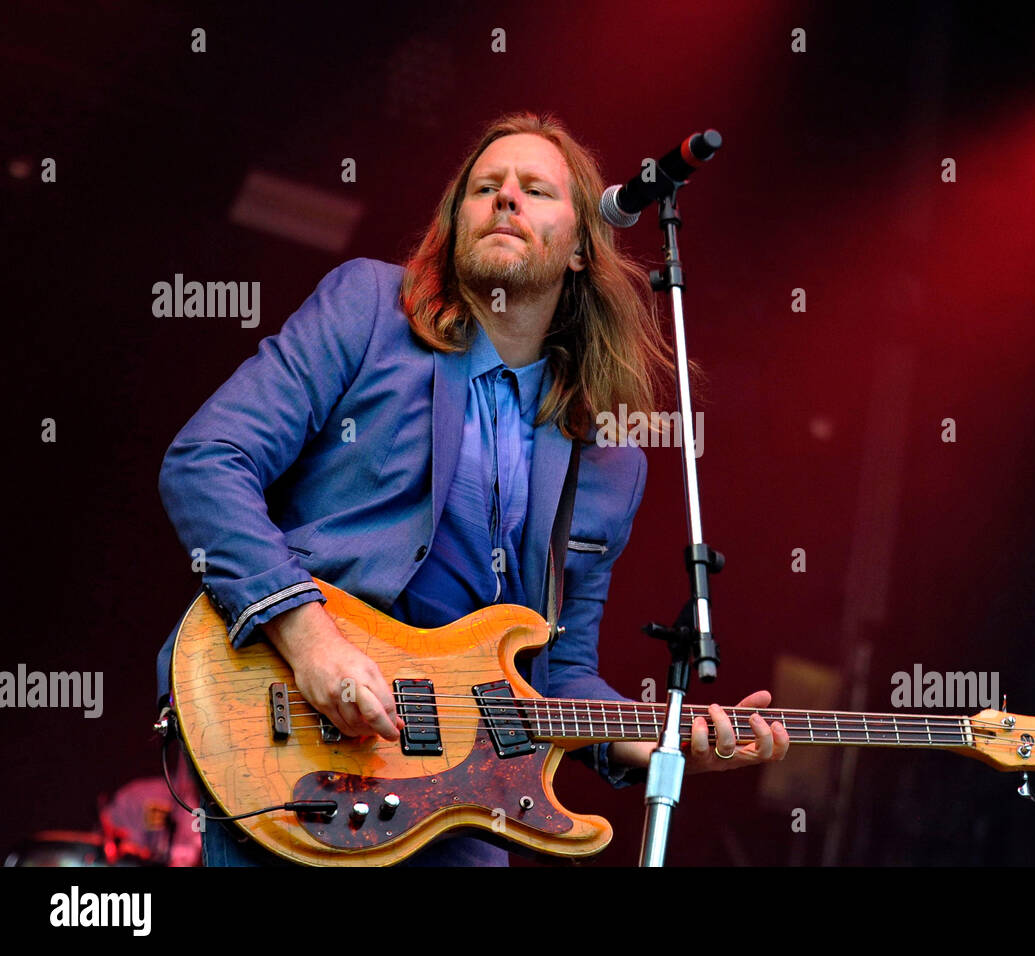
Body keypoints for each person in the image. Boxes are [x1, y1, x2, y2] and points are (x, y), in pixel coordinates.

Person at [154, 111, 790, 866]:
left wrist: (660, 744)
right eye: (485, 187)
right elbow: (207, 457)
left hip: (462, 801)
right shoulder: (367, 310)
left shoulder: (611, 461)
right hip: (293, 741)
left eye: (535, 190)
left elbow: (557, 674)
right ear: (456, 226)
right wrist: (309, 635)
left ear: (584, 247)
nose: (506, 200)